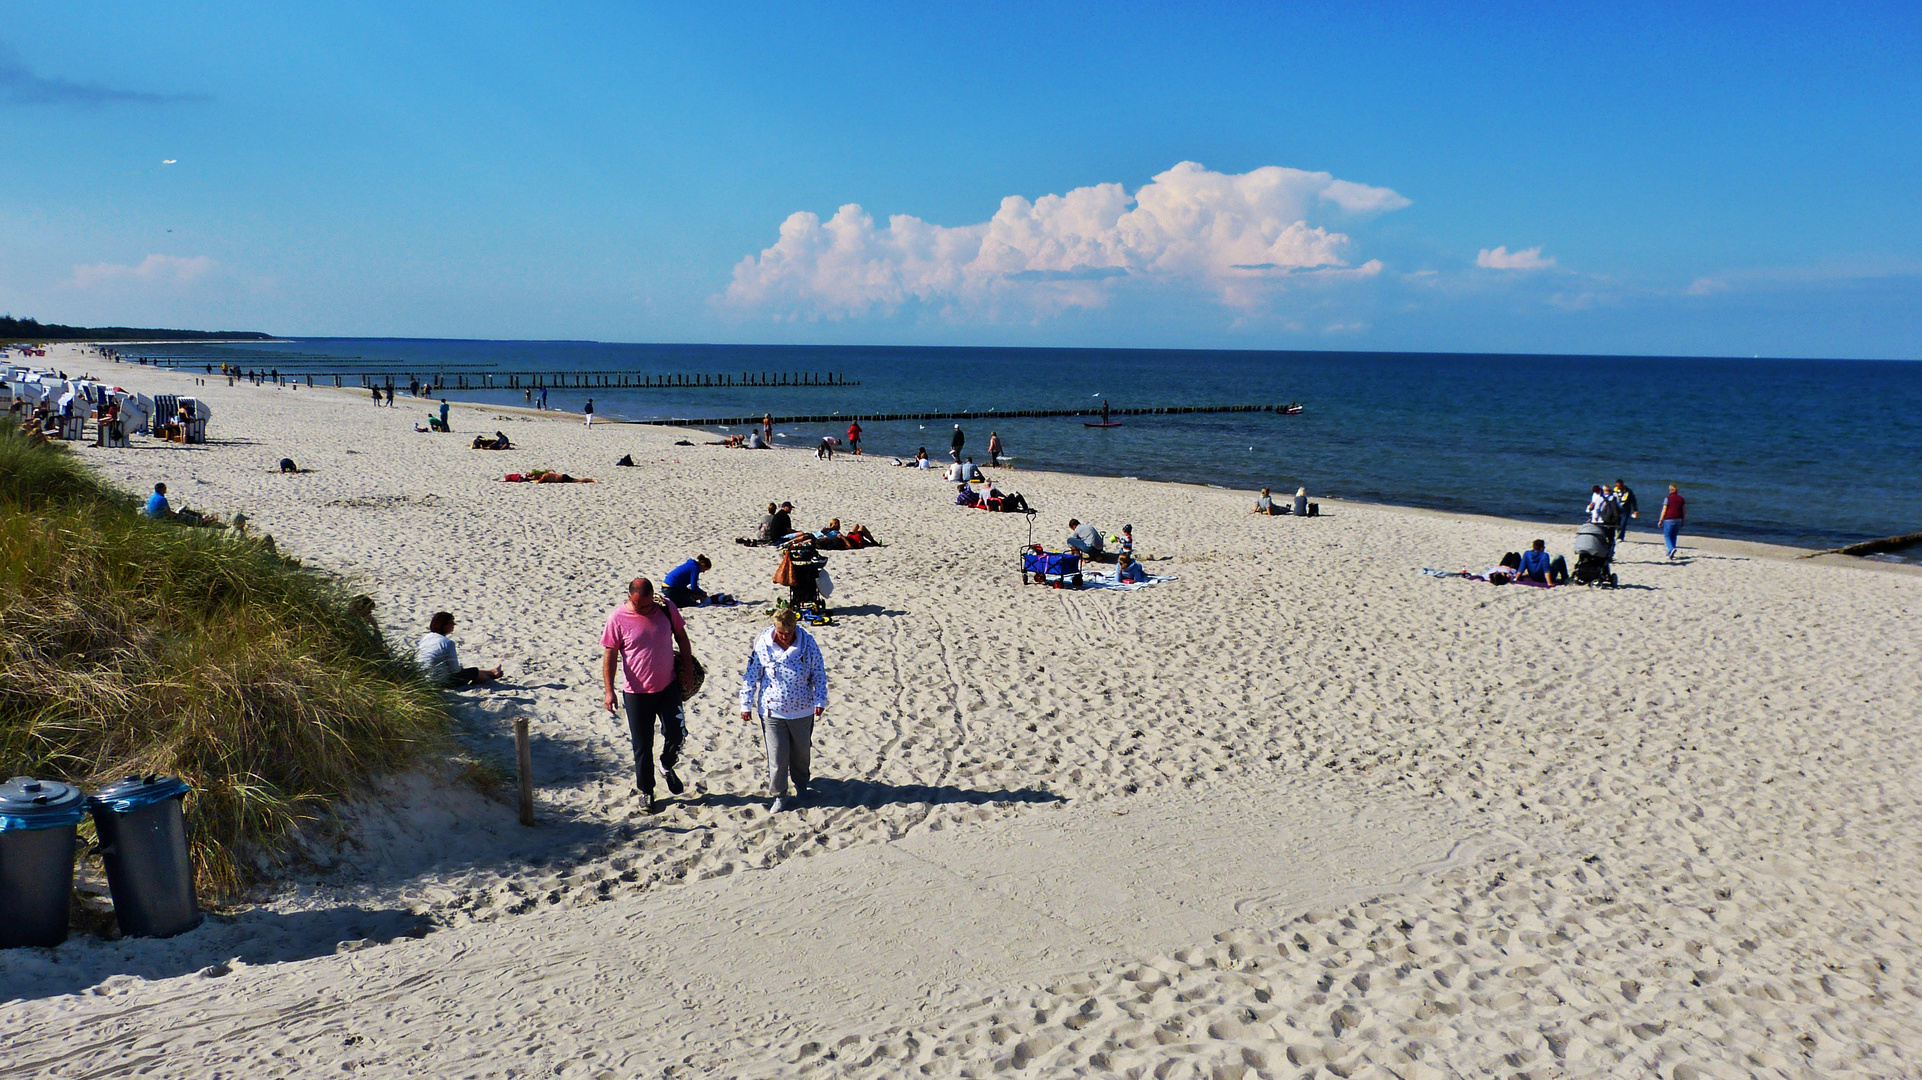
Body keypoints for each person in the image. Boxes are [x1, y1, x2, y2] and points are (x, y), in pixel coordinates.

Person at [601, 577, 695, 812]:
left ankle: (666, 765)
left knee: (677, 734)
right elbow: (610, 656)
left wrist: (688, 670)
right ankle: (646, 791)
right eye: (639, 605)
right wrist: (609, 691)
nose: (645, 609)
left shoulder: (666, 608)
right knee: (642, 746)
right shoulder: (617, 618)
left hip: (668, 687)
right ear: (629, 597)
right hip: (636, 693)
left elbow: (682, 637)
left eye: (648, 604)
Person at [739, 606, 828, 813]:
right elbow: (751, 675)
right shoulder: (763, 644)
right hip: (772, 710)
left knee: (801, 753)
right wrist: (746, 703)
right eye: (781, 633)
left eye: (789, 633)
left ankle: (801, 786)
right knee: (777, 755)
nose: (785, 637)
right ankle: (779, 795)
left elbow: (819, 673)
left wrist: (820, 700)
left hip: (802, 709)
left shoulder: (808, 643)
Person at [416, 612, 504, 686]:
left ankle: (492, 672)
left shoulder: (426, 638)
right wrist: (460, 668)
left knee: (468, 671)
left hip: (424, 679)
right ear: (444, 625)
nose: (454, 625)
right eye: (451, 623)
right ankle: (493, 674)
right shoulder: (448, 643)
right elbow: (455, 670)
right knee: (473, 672)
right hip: (442, 681)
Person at [1658, 483, 1686, 560]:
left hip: (1669, 519)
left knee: (1667, 536)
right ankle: (1670, 553)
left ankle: (1671, 549)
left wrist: (1661, 520)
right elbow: (1684, 510)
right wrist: (1683, 520)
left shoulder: (1667, 498)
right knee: (1674, 536)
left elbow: (1664, 510)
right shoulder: (1681, 499)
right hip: (1678, 519)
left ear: (1670, 490)